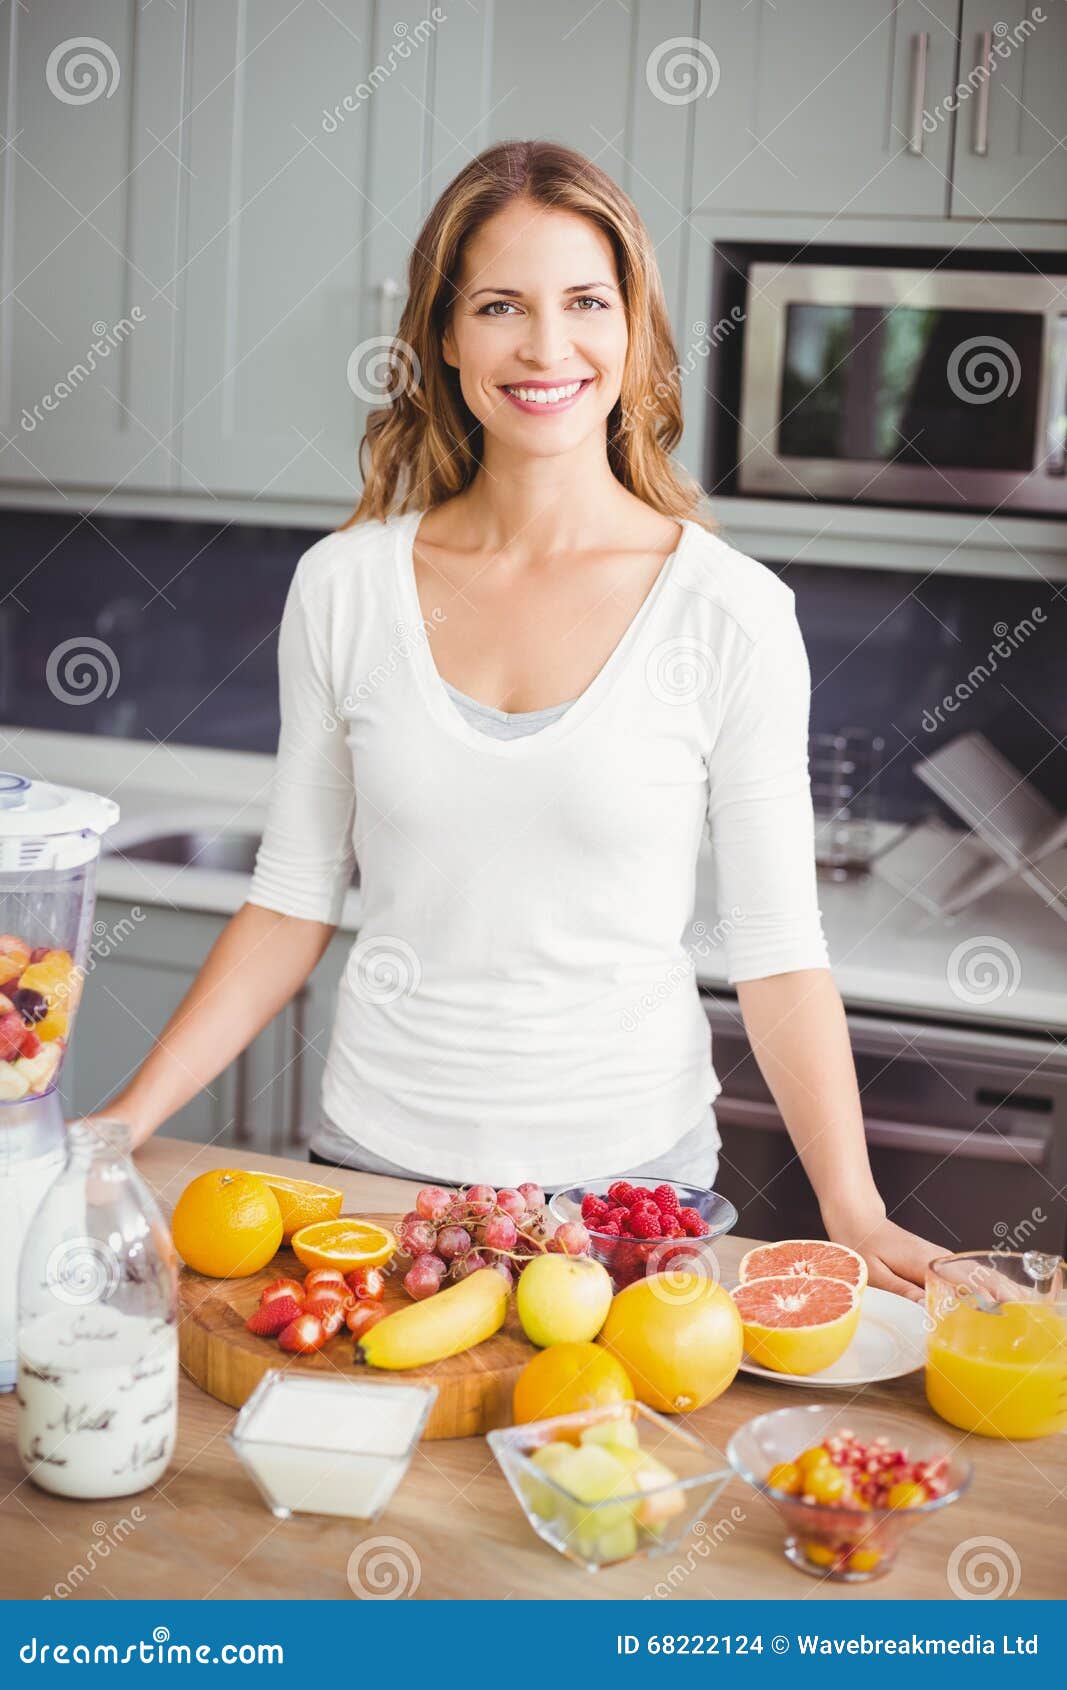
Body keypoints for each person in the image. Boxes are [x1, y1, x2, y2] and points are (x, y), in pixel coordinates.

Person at [105, 141, 942, 1298]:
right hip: (379, 1182)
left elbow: (778, 951)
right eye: (500, 306)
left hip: (627, 1201)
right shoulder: (344, 586)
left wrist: (853, 1208)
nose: (547, 347)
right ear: (445, 337)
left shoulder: (729, 612)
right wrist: (125, 1118)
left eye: (585, 302)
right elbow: (292, 895)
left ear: (634, 325)